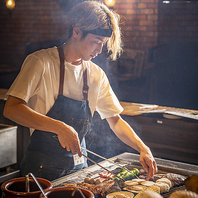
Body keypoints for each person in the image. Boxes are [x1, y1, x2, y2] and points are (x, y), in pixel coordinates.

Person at [3, 1, 157, 181]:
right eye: (96, 42)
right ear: (77, 32)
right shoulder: (41, 62)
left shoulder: (95, 74)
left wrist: (142, 148)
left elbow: (115, 121)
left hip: (79, 171)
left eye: (104, 43)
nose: (100, 50)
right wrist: (59, 127)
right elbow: (12, 108)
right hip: (40, 171)